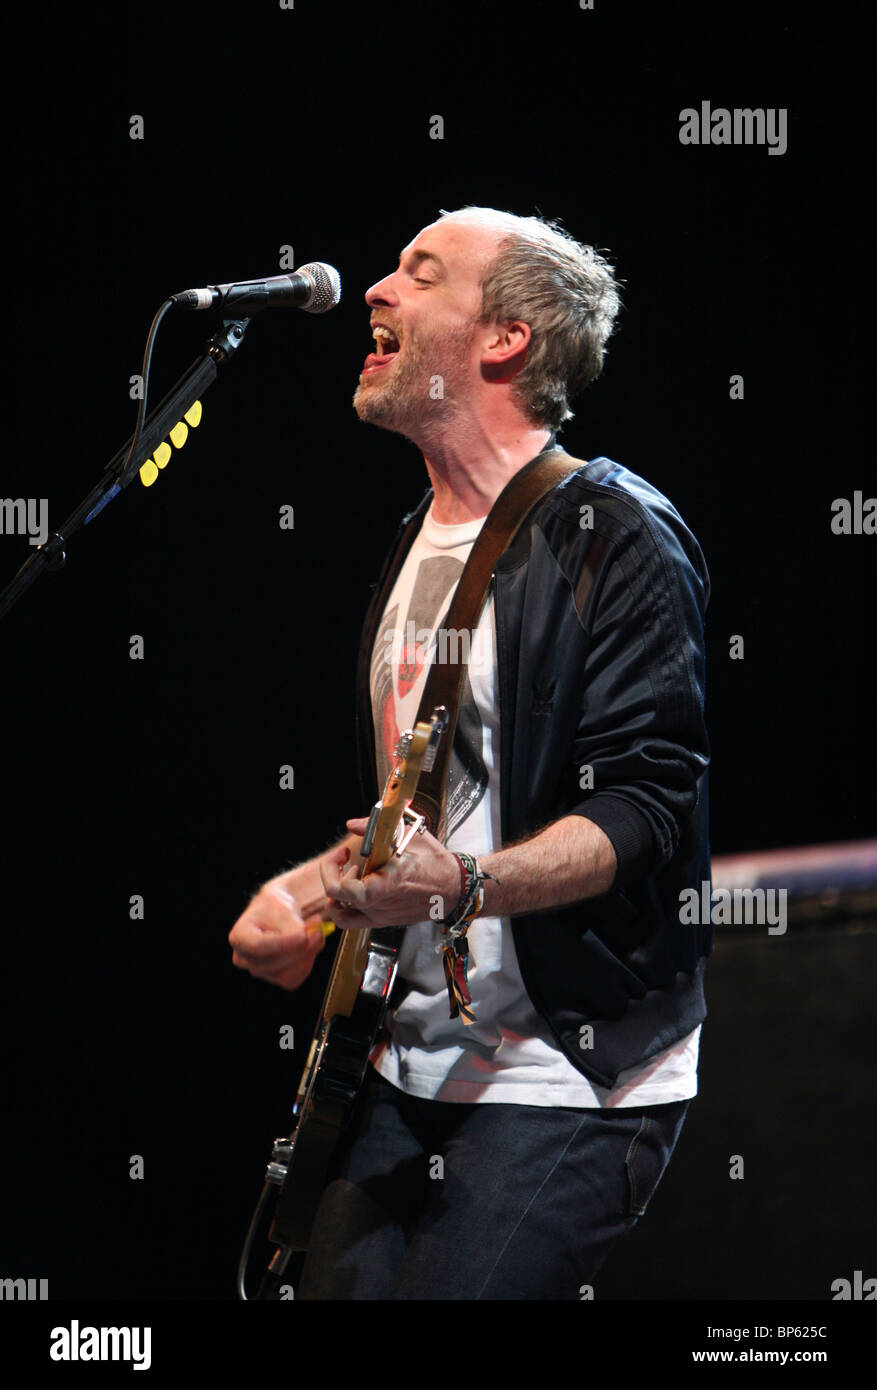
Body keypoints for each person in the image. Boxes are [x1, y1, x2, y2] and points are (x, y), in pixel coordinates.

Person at [228, 206, 712, 1300]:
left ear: (503, 340)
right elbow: (439, 810)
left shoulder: (614, 531)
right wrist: (311, 893)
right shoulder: (416, 539)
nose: (374, 293)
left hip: (563, 1079)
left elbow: (646, 805)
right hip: (402, 1068)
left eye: (419, 273)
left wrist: (463, 887)